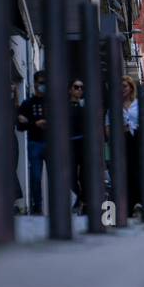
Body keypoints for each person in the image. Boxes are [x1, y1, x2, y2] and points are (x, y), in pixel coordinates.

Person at [16, 69, 47, 214]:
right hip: (35, 143)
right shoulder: (28, 103)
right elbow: (20, 125)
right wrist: (35, 124)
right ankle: (38, 206)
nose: (43, 86)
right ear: (35, 84)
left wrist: (30, 121)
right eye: (41, 83)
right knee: (35, 177)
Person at [121, 75, 142, 215]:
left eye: (124, 86)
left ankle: (138, 203)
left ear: (131, 88)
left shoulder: (138, 105)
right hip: (122, 142)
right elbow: (108, 126)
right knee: (125, 174)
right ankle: (128, 207)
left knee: (137, 172)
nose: (122, 89)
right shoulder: (115, 105)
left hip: (137, 141)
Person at [68, 78, 85, 213]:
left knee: (84, 175)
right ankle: (76, 200)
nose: (79, 90)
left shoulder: (84, 106)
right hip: (70, 144)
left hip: (83, 144)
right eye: (76, 87)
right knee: (72, 175)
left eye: (81, 88)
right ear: (70, 90)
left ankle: (83, 202)